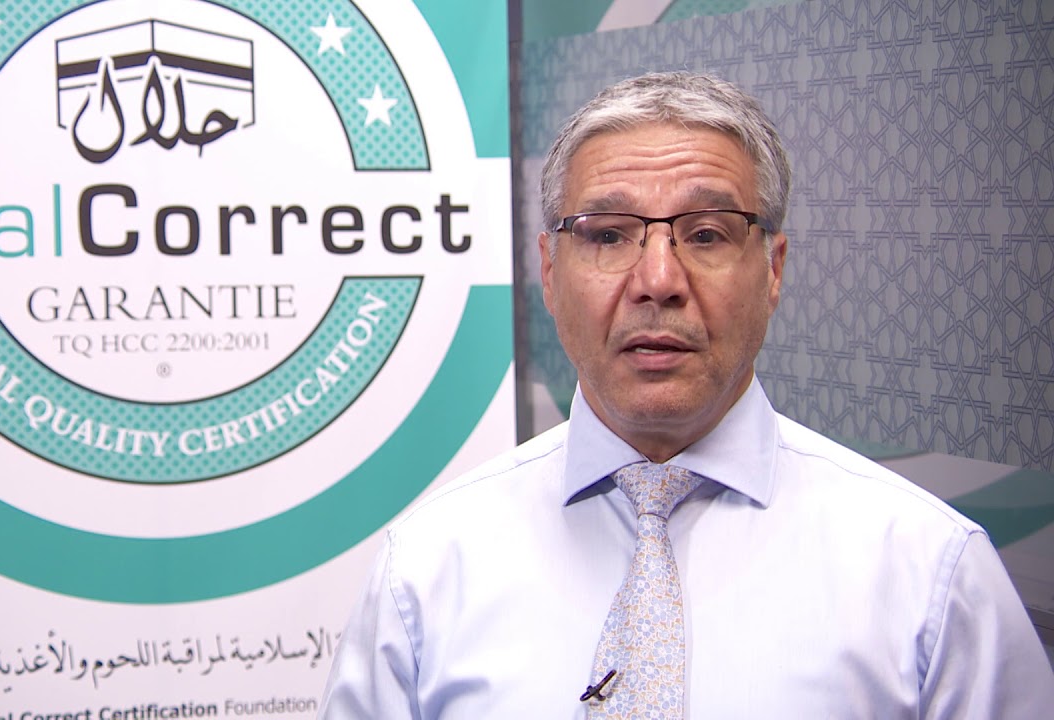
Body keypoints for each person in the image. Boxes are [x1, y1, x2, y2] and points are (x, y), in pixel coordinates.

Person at [317, 71, 1054, 718]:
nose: (658, 281)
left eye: (705, 234)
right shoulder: (427, 570)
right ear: (549, 270)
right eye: (608, 235)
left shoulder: (929, 574)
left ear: (773, 269)